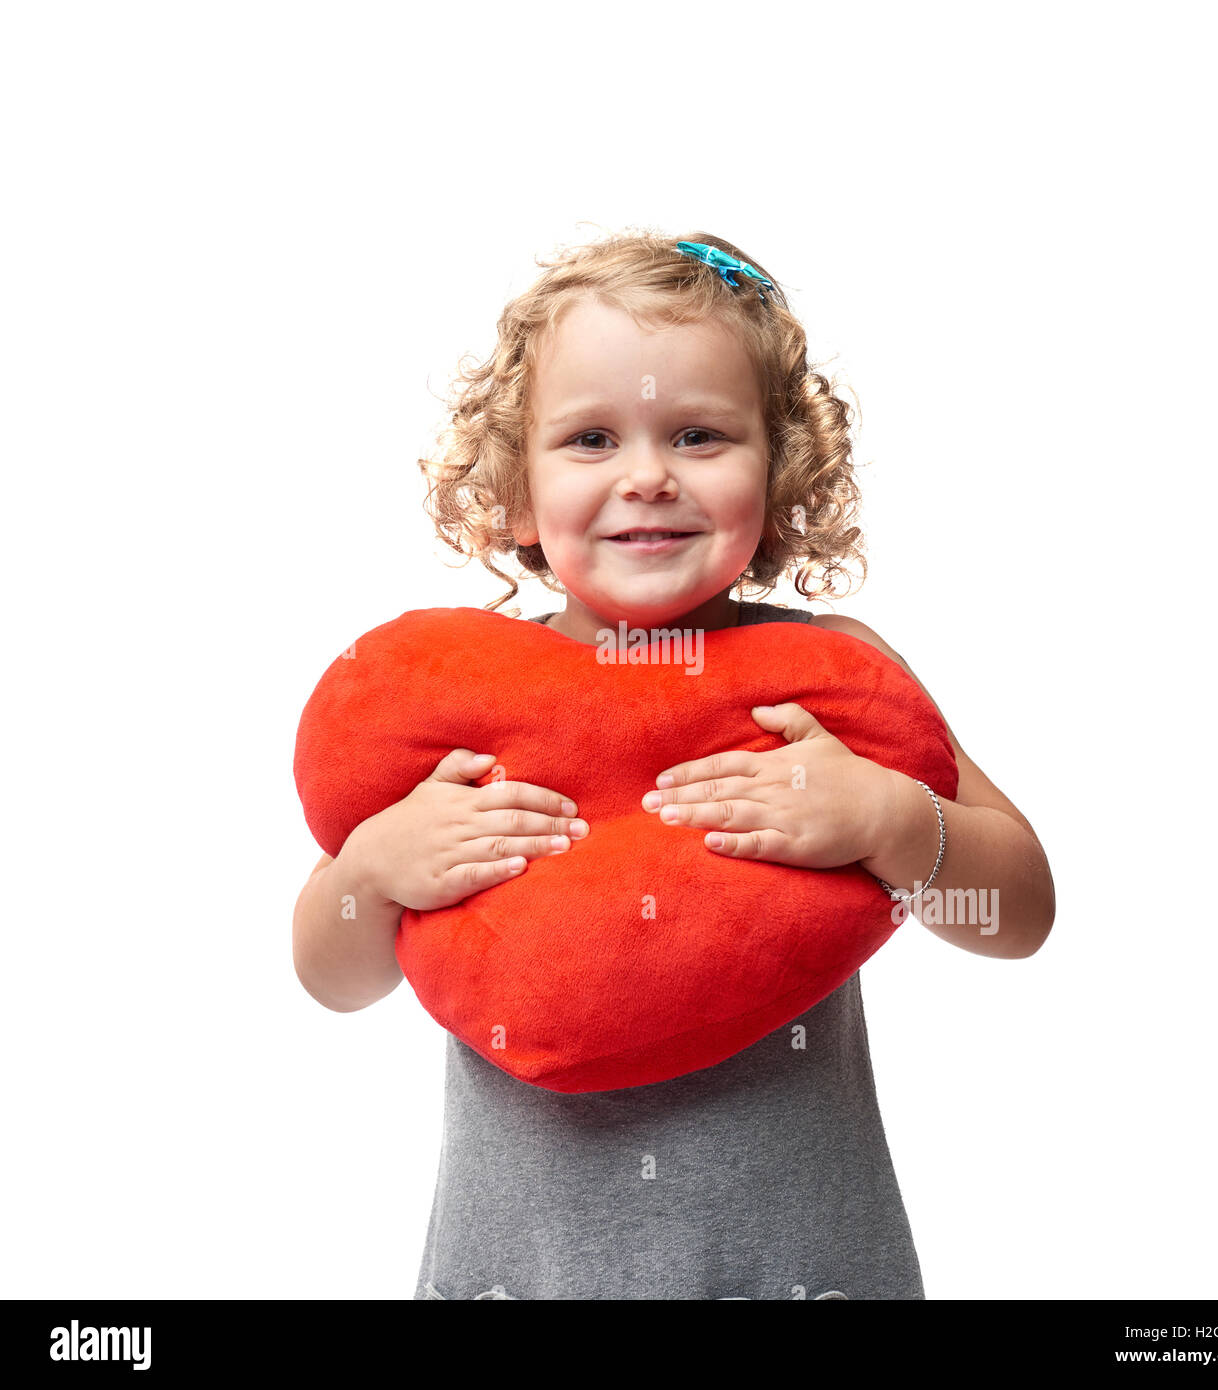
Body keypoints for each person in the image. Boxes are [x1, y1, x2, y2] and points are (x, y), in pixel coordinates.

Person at [291, 228, 1056, 1299]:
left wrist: (889, 820)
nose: (647, 476)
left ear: (779, 469)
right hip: (527, 1272)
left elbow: (1016, 913)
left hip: (794, 1266)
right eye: (591, 439)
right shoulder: (447, 708)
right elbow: (334, 980)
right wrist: (369, 873)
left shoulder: (833, 682)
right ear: (514, 490)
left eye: (698, 435)